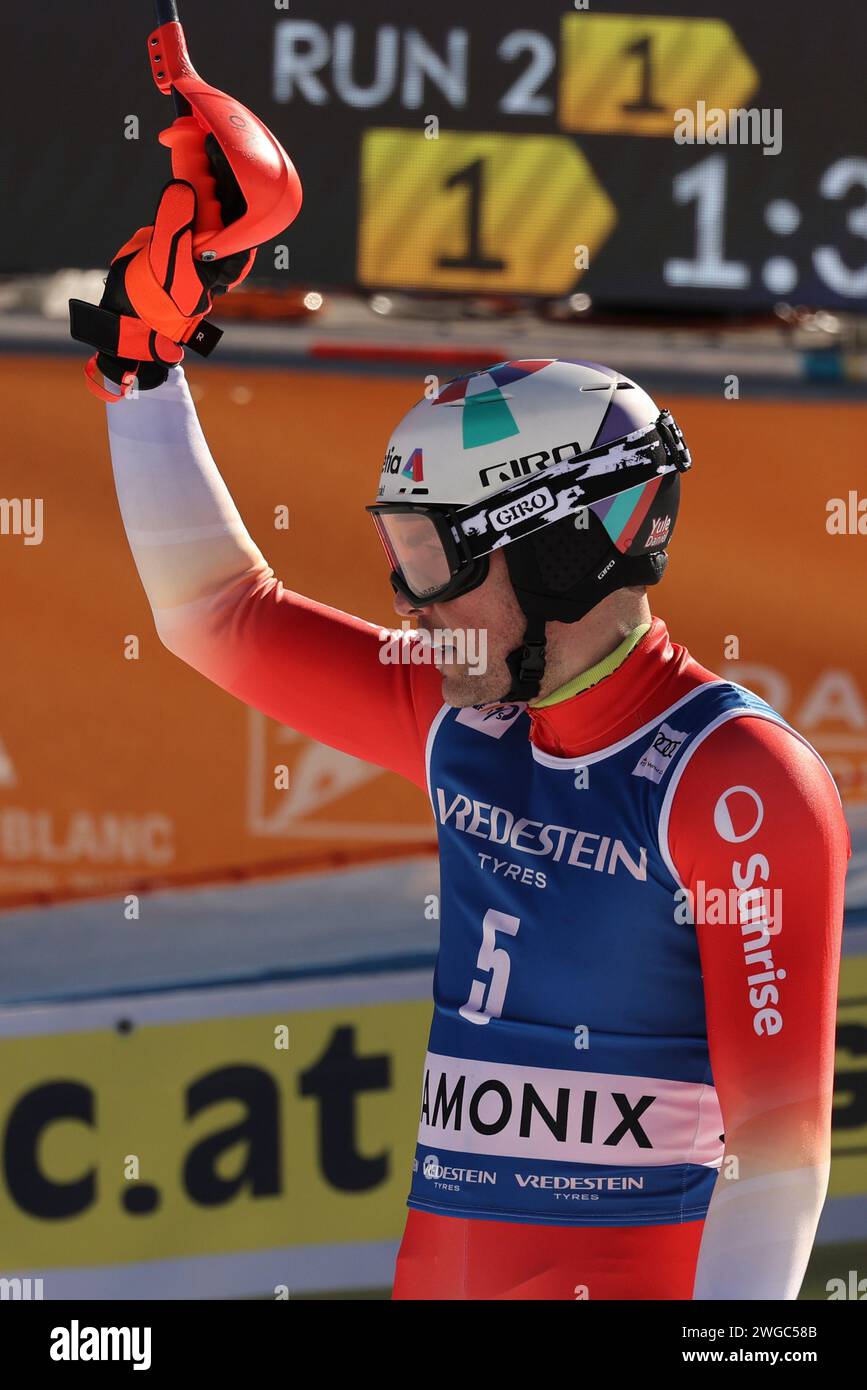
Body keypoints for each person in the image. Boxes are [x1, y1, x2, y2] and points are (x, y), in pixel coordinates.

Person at [73, 178, 850, 1302]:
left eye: (435, 562)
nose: (409, 602)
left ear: (563, 555)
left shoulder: (738, 780)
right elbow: (220, 616)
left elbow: (780, 1154)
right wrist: (145, 376)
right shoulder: (468, 718)